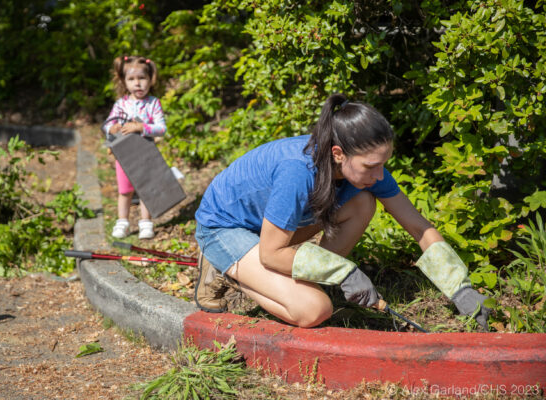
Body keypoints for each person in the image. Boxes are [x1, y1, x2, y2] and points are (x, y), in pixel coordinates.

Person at [193, 93, 492, 330]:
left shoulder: (369, 172)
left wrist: (460, 289)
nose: (380, 175)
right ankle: (227, 271)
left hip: (270, 230)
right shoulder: (298, 171)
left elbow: (418, 227)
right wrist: (344, 272)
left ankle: (313, 280)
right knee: (314, 309)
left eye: (383, 164)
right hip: (226, 228)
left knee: (363, 202)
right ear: (338, 154)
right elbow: (270, 253)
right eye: (370, 166)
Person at [102, 55, 166, 240]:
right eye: (131, 79)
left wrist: (141, 127)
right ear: (124, 81)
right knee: (125, 190)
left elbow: (161, 128)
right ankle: (122, 221)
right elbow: (108, 124)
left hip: (146, 153)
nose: (137, 84)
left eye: (142, 78)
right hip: (125, 155)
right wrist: (111, 128)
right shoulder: (121, 104)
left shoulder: (153, 103)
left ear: (150, 79)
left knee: (146, 188)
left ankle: (145, 222)